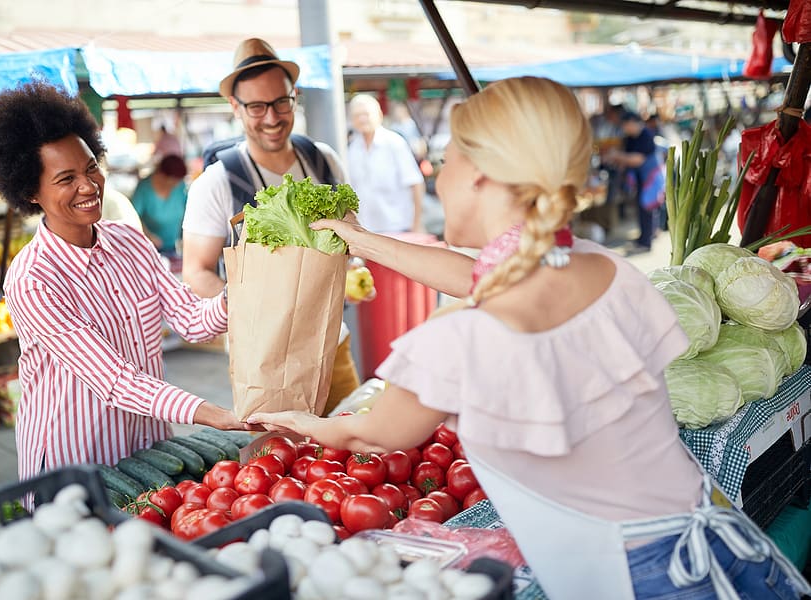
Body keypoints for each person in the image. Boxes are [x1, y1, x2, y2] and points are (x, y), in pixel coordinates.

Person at [248, 77, 811, 600]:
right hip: (727, 546)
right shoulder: (608, 269)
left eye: (444, 159)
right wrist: (360, 240)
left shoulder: (460, 338)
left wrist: (303, 422)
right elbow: (480, 272)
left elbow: (371, 436)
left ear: (479, 175)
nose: (435, 176)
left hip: (640, 582)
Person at [0, 81, 250, 488]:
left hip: (149, 447)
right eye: (66, 178)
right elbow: (114, 380)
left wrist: (244, 290)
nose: (88, 186)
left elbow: (192, 319)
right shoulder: (32, 279)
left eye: (90, 168)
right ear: (31, 191)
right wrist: (211, 414)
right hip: (75, 458)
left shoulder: (129, 241)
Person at [182, 37, 360, 412]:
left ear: (293, 95)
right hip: (263, 363)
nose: (272, 118)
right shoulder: (216, 182)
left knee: (353, 451)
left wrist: (353, 273)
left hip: (333, 345)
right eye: (257, 106)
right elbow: (196, 272)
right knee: (283, 464)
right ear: (235, 107)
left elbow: (350, 243)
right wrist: (253, 310)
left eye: (281, 102)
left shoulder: (324, 162)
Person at [347, 94, 425, 234]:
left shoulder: (395, 143)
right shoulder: (353, 148)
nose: (362, 119)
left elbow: (416, 183)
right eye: (357, 115)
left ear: (379, 115)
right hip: (366, 229)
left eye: (366, 114)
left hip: (397, 228)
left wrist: (417, 223)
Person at [606, 112, 665, 254]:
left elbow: (638, 159)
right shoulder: (630, 138)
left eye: (626, 125)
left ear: (632, 122)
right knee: (642, 209)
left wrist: (617, 156)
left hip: (651, 177)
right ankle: (643, 238)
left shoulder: (646, 135)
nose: (624, 128)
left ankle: (646, 242)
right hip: (640, 178)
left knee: (648, 208)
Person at [132, 154, 188, 255]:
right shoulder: (144, 188)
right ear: (162, 175)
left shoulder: (180, 186)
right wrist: (148, 235)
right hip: (149, 248)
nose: (176, 184)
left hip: (173, 247)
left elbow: (188, 210)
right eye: (174, 181)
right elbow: (133, 216)